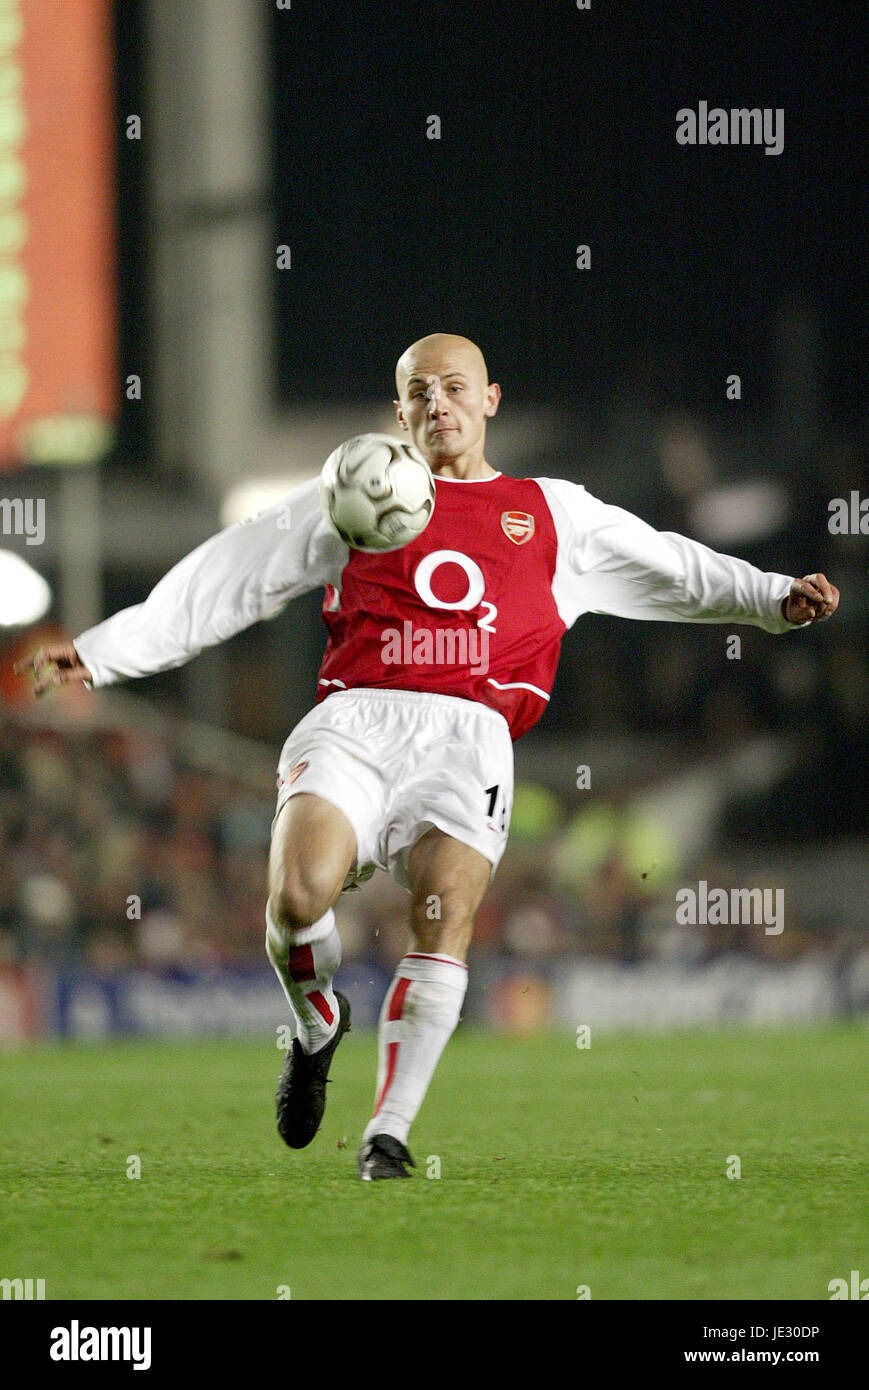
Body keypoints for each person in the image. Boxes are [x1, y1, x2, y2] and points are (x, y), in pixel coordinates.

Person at [15, 333, 840, 1180]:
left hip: (469, 738)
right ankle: (315, 1026)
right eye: (419, 391)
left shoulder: (552, 512)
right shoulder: (351, 493)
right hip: (356, 720)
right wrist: (107, 651)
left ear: (489, 401)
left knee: (444, 915)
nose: (436, 403)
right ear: (399, 407)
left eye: (454, 387)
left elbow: (671, 565)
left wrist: (773, 598)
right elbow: (233, 571)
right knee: (298, 899)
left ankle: (389, 1133)